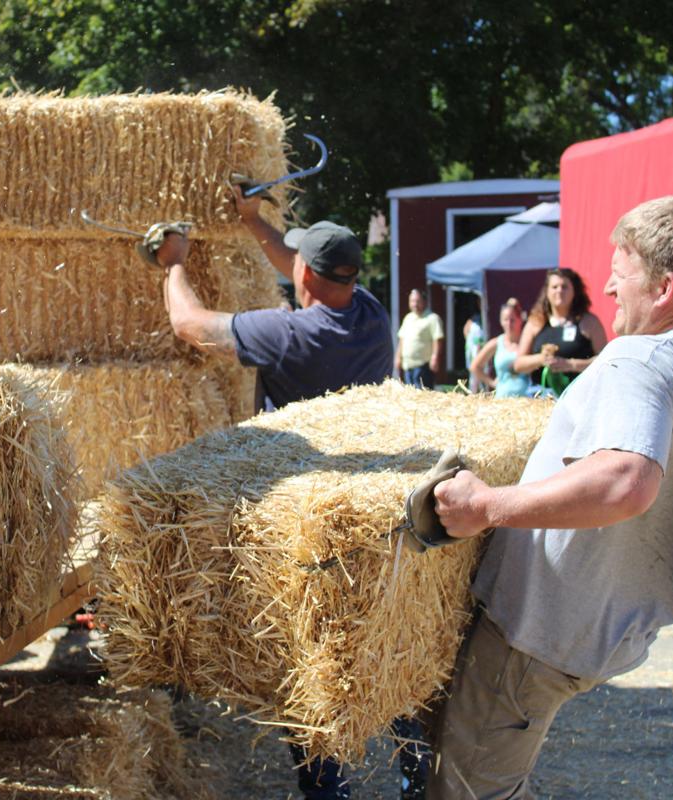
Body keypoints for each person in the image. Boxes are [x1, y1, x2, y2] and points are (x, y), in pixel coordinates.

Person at [427, 195, 673, 799]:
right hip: (605, 630)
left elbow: (626, 481)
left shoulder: (640, 359)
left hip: (538, 629)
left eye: (622, 272)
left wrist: (484, 507)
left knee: (469, 790)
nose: (611, 287)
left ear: (665, 287)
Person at [156, 187, 417, 799]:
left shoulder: (290, 333)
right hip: (374, 500)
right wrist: (253, 221)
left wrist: (173, 264)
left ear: (306, 275)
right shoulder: (370, 314)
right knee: (388, 641)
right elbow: (302, 268)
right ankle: (418, 775)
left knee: (311, 655)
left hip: (310, 515)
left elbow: (188, 325)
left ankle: (327, 790)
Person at [512, 268, 607, 397]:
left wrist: (571, 364)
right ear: (547, 291)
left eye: (564, 287)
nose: (559, 291)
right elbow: (518, 364)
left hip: (579, 395)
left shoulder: (589, 322)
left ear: (575, 291)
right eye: (554, 287)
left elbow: (605, 361)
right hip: (541, 398)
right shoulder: (536, 322)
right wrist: (541, 359)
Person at [468, 298, 530, 398]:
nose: (509, 324)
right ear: (501, 321)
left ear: (520, 320)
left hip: (526, 399)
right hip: (502, 398)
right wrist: (491, 382)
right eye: (505, 319)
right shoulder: (497, 343)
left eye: (512, 320)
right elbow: (475, 366)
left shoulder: (527, 342)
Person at [395, 289, 444, 389]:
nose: (415, 304)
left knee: (422, 394)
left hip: (423, 366)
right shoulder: (408, 318)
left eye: (418, 301)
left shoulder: (432, 318)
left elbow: (437, 339)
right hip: (407, 365)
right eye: (412, 301)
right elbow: (402, 339)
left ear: (425, 302)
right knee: (410, 393)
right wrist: (398, 357)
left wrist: (435, 357)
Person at [463, 313, 486, 392]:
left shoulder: (486, 319)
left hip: (482, 352)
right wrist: (471, 343)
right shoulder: (473, 320)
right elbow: (465, 330)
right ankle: (474, 392)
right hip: (473, 352)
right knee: (473, 374)